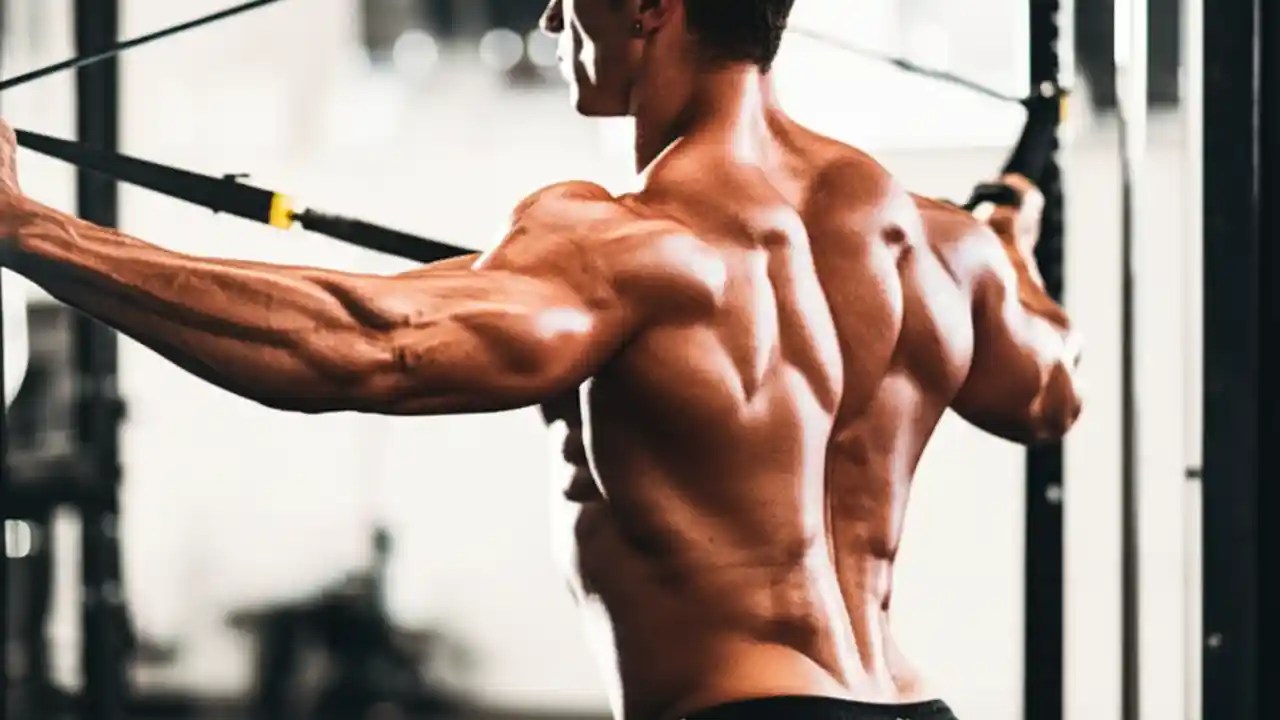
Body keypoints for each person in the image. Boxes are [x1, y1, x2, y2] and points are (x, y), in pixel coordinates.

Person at [0, 0, 1082, 717]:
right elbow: (1045, 392)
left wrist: (29, 230)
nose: (551, 15)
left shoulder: (626, 244)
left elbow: (368, 345)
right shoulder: (940, 247)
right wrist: (1009, 247)